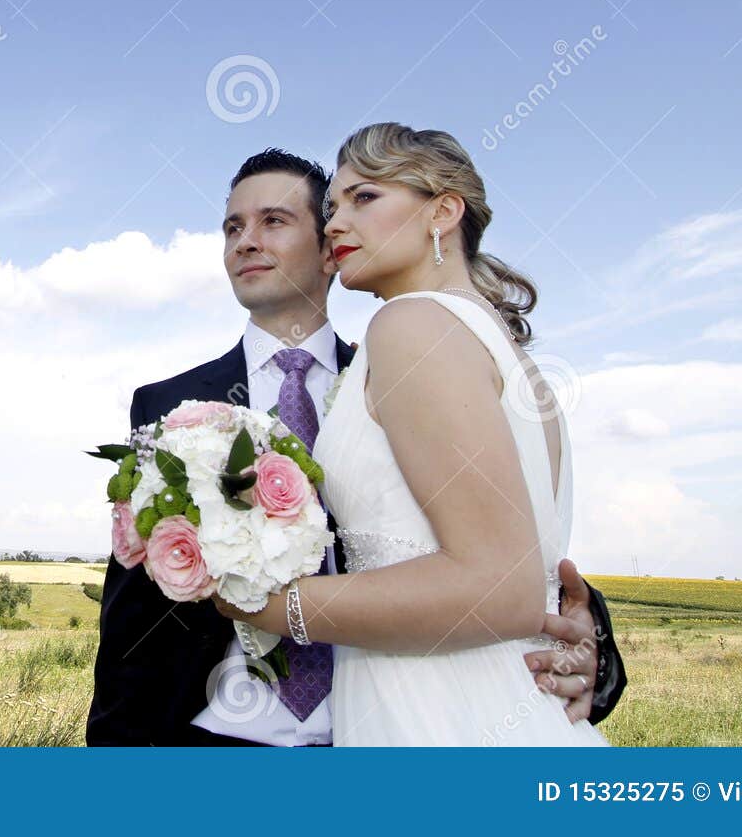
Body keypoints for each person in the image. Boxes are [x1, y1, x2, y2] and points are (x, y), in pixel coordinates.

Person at [88, 144, 624, 746]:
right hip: (205, 743)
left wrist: (590, 642)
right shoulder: (171, 406)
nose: (245, 241)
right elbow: (133, 609)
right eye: (232, 227)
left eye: (273, 221)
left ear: (328, 250)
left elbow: (497, 550)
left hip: (384, 726)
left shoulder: (406, 358)